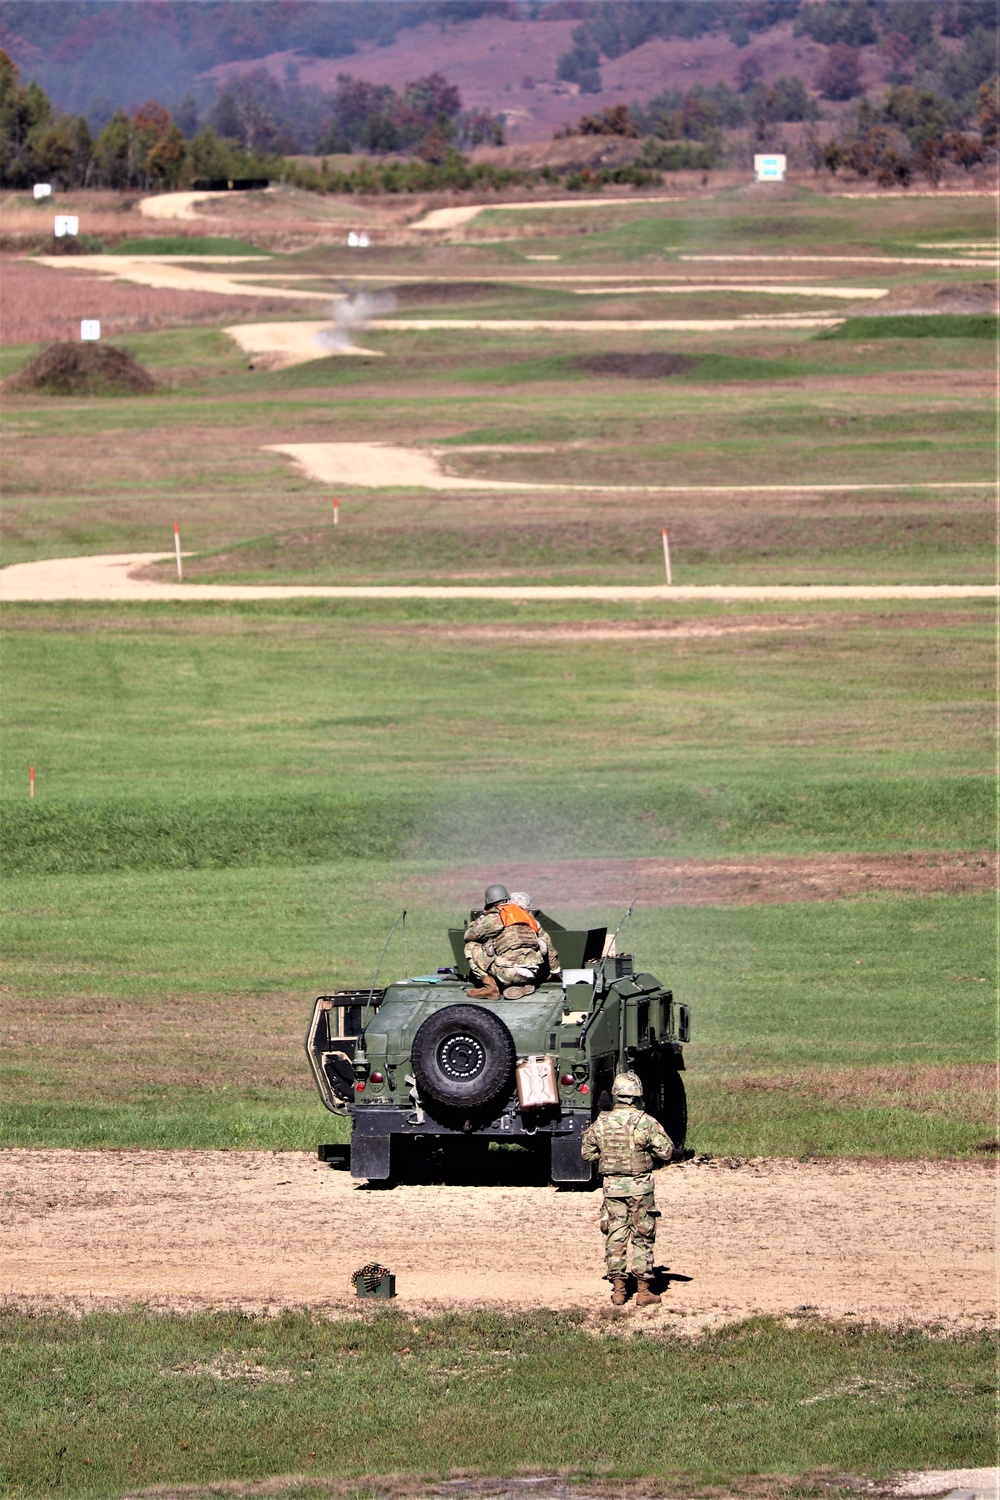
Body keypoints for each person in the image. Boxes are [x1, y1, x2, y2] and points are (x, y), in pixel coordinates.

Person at [581, 1070, 674, 1307]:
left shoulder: (601, 1123)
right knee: (643, 1237)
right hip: (640, 1189)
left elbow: (587, 1153)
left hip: (612, 1189)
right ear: (637, 1096)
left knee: (615, 1235)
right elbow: (667, 1151)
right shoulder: (646, 1122)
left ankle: (619, 1291)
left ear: (616, 1095)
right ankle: (644, 1292)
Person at [463, 884, 561, 1000]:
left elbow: (469, 936)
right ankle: (523, 984)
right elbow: (549, 947)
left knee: (470, 946)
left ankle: (490, 989)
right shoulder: (529, 918)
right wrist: (555, 972)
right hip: (532, 973)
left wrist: (477, 923)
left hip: (506, 974)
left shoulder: (494, 918)